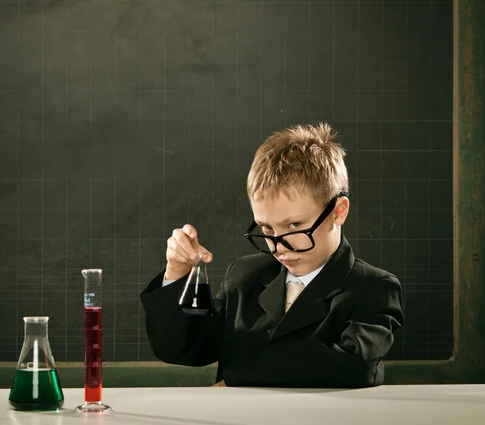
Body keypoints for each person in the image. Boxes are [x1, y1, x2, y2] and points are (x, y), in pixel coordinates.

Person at [140, 123, 404, 388]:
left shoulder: (374, 287)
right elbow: (183, 348)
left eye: (294, 226)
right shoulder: (244, 277)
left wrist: (236, 375)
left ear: (338, 211)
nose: (278, 247)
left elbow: (348, 366)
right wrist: (176, 273)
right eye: (266, 228)